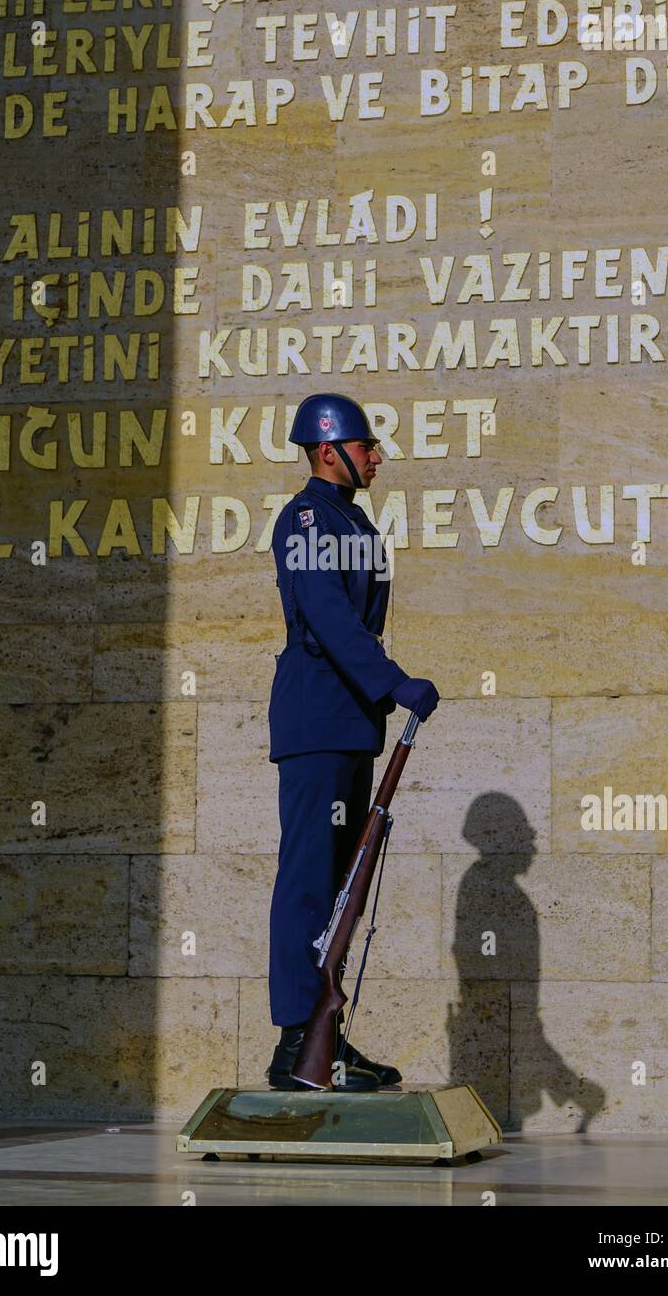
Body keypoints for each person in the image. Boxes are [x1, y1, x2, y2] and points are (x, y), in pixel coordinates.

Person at [265, 392, 440, 1091]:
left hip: (347, 725)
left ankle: (325, 1038)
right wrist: (393, 682)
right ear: (330, 449)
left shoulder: (352, 520)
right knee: (309, 883)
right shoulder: (307, 517)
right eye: (367, 445)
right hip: (317, 721)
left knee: (342, 892)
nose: (378, 456)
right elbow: (333, 620)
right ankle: (293, 1043)